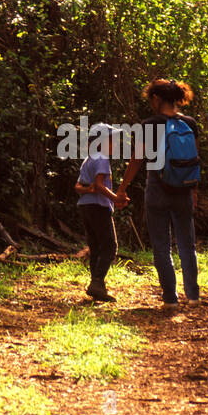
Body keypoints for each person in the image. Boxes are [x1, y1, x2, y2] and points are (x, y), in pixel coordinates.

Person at [116, 80, 201, 308]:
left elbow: (136, 160)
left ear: (156, 98)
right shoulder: (190, 124)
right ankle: (193, 296)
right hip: (184, 188)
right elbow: (194, 160)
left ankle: (170, 299)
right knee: (187, 245)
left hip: (157, 189)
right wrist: (193, 190)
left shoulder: (149, 124)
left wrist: (122, 188)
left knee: (161, 246)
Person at [73, 123, 128, 302]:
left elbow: (78, 186)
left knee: (96, 246)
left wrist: (92, 191)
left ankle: (97, 285)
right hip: (98, 207)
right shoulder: (102, 158)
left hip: (85, 207)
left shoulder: (88, 159)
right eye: (113, 140)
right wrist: (116, 198)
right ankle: (97, 282)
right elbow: (99, 185)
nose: (116, 144)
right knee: (110, 246)